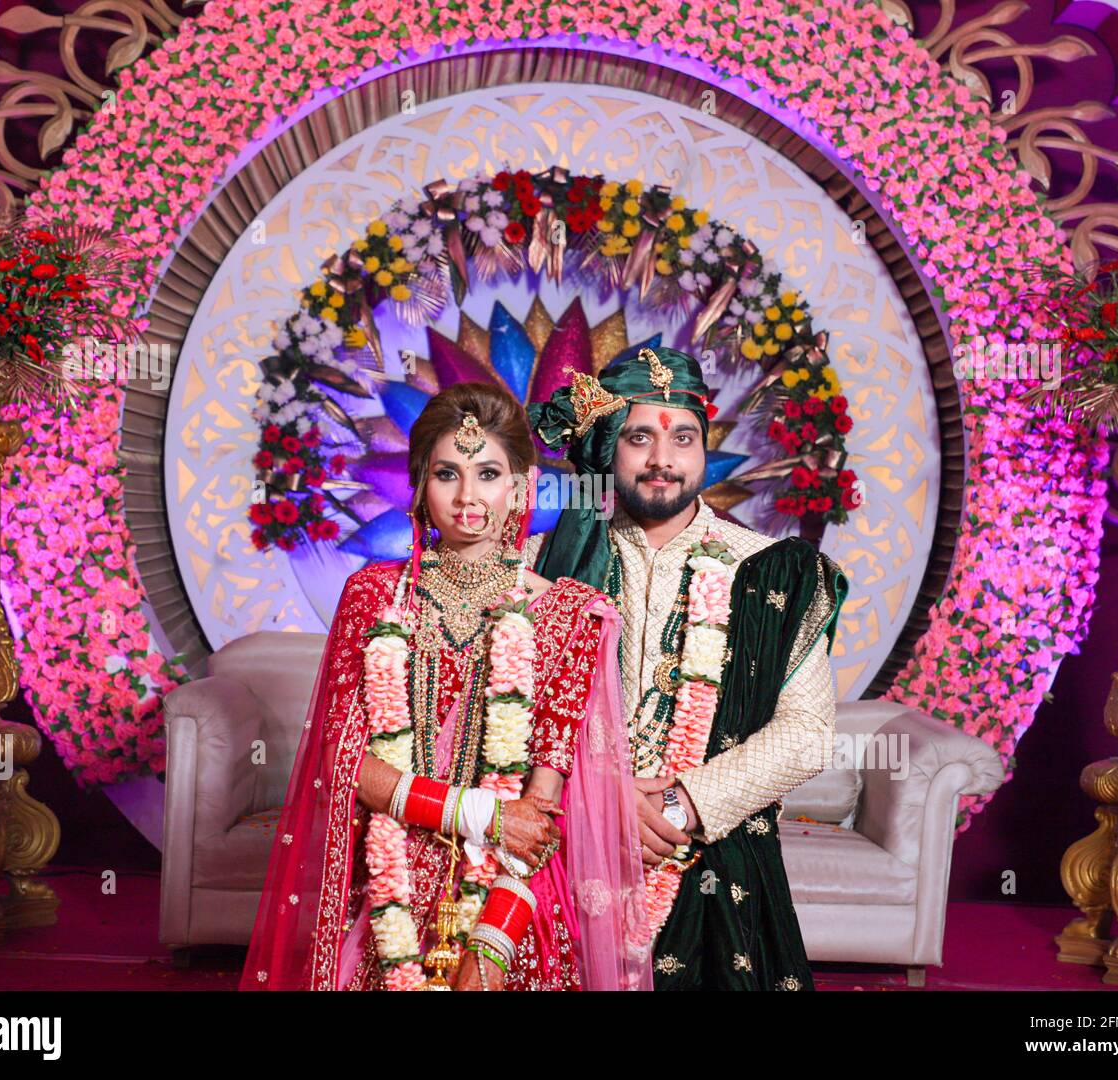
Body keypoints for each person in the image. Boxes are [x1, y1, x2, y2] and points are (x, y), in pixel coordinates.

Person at [241, 381, 651, 991]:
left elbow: (540, 819)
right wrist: (480, 812)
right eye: (446, 474)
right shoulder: (375, 598)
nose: (467, 497)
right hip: (389, 883)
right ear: (418, 486)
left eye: (488, 474)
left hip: (510, 894)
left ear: (522, 487)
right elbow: (346, 763)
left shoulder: (573, 616)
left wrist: (484, 954)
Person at [525, 344, 849, 990]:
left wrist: (682, 803)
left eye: (683, 437)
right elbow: (507, 717)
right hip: (566, 847)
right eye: (639, 437)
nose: (662, 460)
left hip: (714, 858)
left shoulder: (772, 568)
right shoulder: (544, 563)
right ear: (608, 447)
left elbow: (807, 732)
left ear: (706, 447)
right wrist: (603, 803)